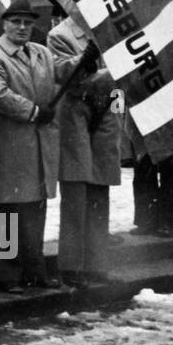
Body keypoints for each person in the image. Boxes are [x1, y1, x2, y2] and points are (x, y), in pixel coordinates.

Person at [0, 0, 92, 293]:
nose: (22, 27)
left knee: (34, 208)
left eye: (28, 23)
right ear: (5, 23)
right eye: (16, 22)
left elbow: (63, 70)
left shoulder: (41, 52)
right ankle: (4, 274)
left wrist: (84, 61)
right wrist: (33, 111)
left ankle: (33, 269)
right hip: (11, 145)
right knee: (7, 208)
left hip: (40, 145)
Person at [48, 15, 119, 287]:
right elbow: (61, 74)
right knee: (76, 192)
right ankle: (71, 266)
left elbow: (124, 79)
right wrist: (82, 63)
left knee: (101, 191)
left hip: (107, 111)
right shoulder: (60, 34)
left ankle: (97, 264)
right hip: (75, 111)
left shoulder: (110, 28)